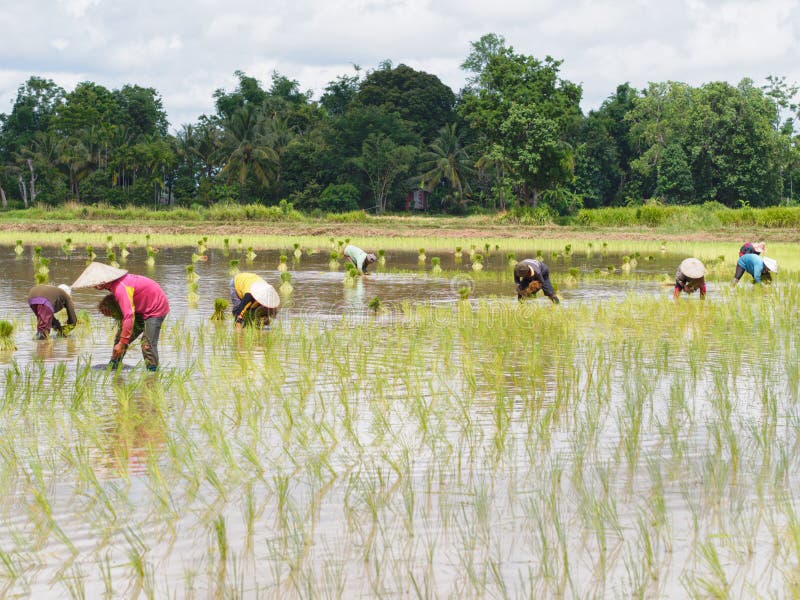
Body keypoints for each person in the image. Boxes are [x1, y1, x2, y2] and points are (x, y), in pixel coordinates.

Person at [72, 262, 169, 371]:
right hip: (140, 307)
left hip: (156, 308)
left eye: (94, 282)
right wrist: (121, 341)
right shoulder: (113, 285)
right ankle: (114, 367)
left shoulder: (120, 287)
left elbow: (129, 316)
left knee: (147, 345)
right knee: (120, 338)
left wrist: (122, 343)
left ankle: (153, 374)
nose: (93, 285)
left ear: (103, 280)